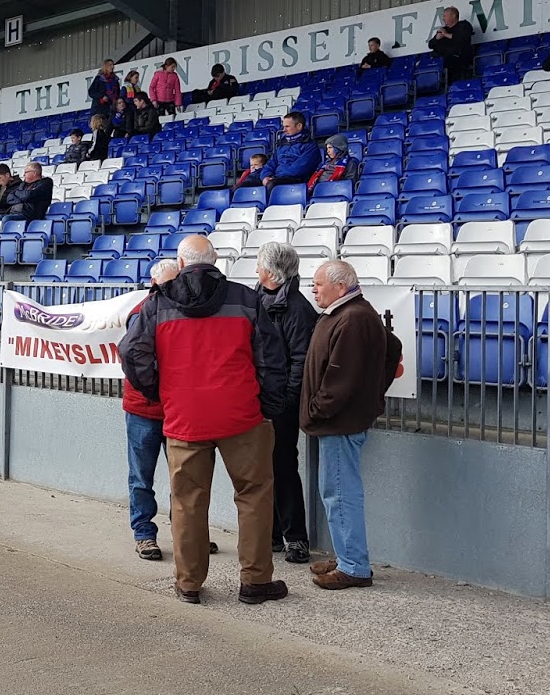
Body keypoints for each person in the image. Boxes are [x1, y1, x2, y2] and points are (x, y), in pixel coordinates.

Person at [119, 236, 290, 605]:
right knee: (255, 496)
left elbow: (132, 352)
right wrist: (267, 405)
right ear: (215, 262)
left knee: (187, 502)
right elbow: (272, 359)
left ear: (181, 264)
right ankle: (256, 581)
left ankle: (189, 583)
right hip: (242, 415)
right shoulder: (246, 299)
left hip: (184, 418)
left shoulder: (158, 303)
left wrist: (158, 393)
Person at [303, 260, 400, 591]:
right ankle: (347, 555)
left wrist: (317, 411)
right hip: (337, 421)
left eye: (318, 284)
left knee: (340, 494)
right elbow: (394, 349)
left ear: (340, 286)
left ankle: (354, 566)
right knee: (336, 492)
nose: (313, 289)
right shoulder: (347, 313)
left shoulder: (354, 318)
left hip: (338, 422)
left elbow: (339, 381)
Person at [122, 262, 218, 562]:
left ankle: (187, 532)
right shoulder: (143, 311)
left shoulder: (177, 310)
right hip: (146, 408)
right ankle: (144, 535)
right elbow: (136, 356)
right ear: (153, 282)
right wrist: (155, 389)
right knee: (142, 476)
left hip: (174, 408)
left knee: (185, 476)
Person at [256, 242, 317, 565]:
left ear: (271, 272)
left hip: (280, 403)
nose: (255, 270)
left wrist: (286, 401)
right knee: (263, 469)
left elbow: (300, 360)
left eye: (259, 265)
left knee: (283, 467)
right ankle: (273, 532)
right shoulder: (257, 299)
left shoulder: (296, 309)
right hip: (260, 400)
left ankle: (295, 537)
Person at [258, 111, 318, 191]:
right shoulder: (282, 145)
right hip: (276, 178)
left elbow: (298, 169)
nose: (284, 130)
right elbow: (270, 164)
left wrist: (275, 177)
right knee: (244, 185)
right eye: (283, 127)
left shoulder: (310, 146)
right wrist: (265, 177)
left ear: (299, 126)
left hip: (296, 181)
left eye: (287, 126)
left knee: (272, 184)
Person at [427, 5, 475, 83]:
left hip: (459, 60)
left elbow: (463, 38)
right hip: (442, 61)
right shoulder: (443, 30)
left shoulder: (464, 25)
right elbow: (430, 45)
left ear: (453, 16)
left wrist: (446, 35)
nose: (443, 18)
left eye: (445, 16)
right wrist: (436, 38)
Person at [88, 59, 121, 123]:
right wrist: (101, 97)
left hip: (111, 108)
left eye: (113, 65)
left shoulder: (115, 79)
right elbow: (91, 92)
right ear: (105, 66)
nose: (112, 67)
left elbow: (117, 93)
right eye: (110, 65)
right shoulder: (99, 79)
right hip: (99, 108)